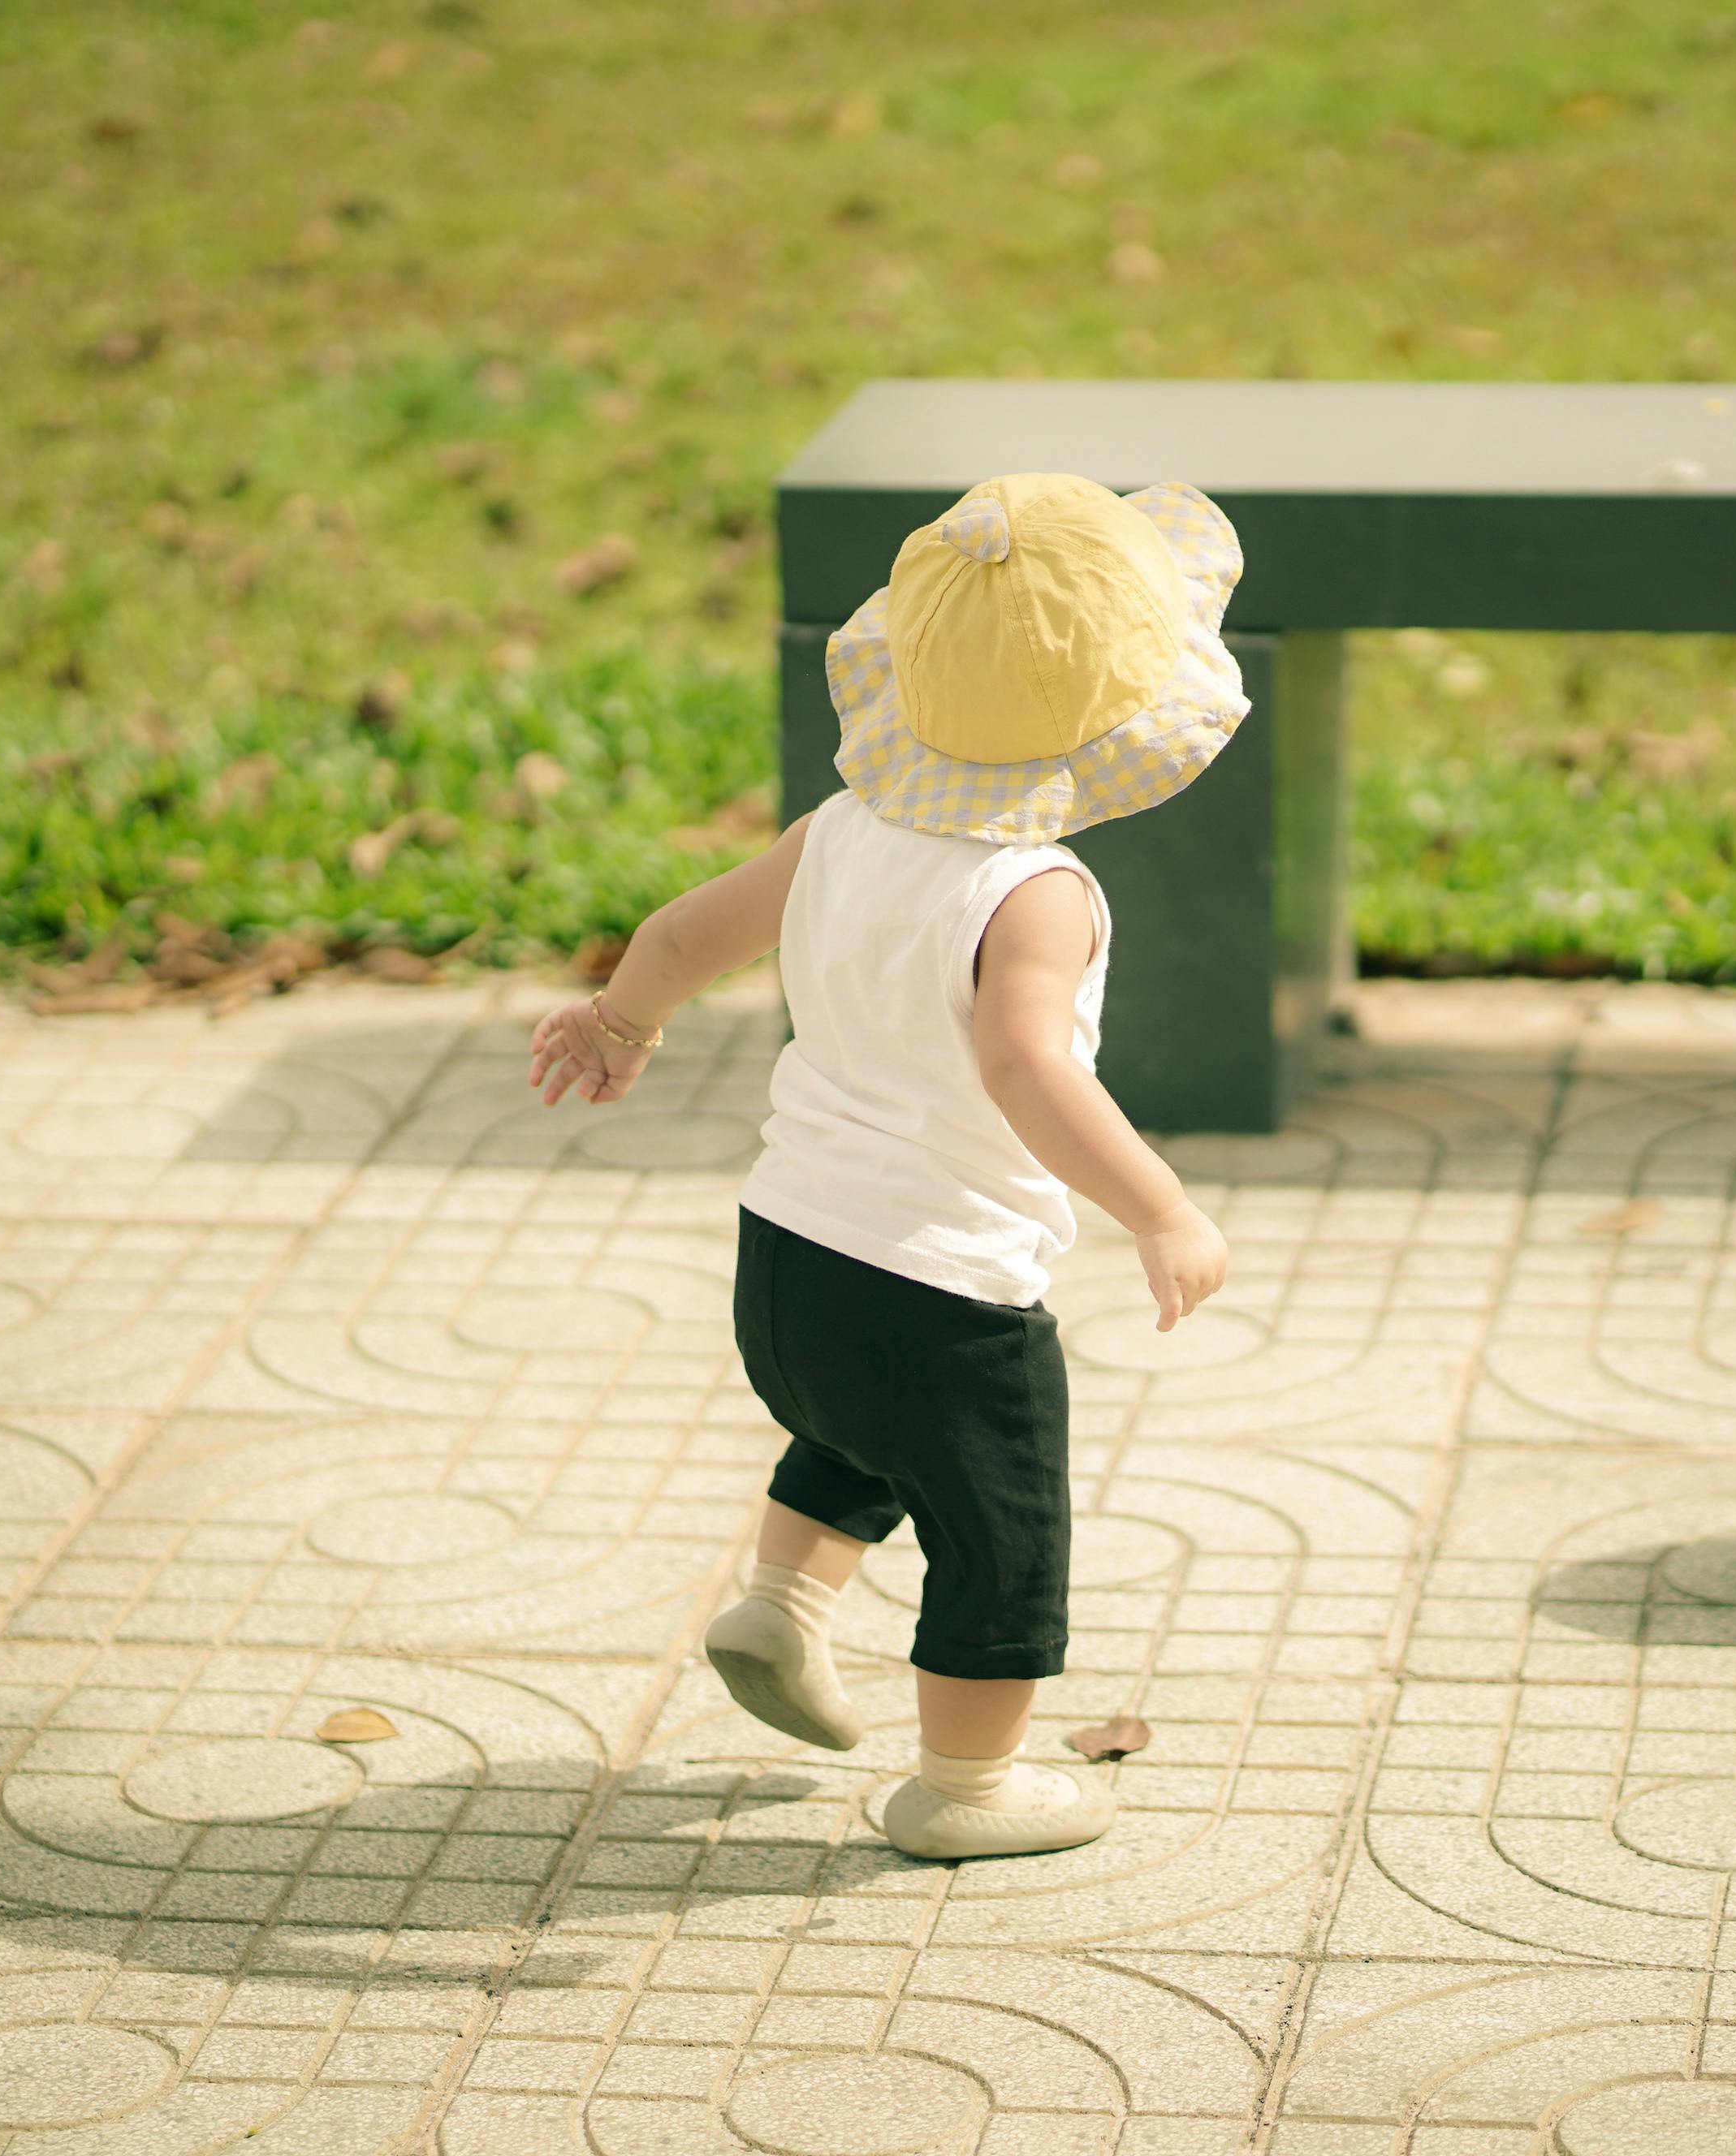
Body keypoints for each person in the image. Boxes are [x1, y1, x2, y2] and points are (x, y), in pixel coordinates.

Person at [529, 472, 1250, 1861]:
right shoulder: (1033, 891)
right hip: (941, 1292)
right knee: (1001, 1528)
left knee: (862, 1431)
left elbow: (683, 933)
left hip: (785, 1255)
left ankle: (781, 1605)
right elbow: (1028, 1068)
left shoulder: (841, 830)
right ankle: (966, 1791)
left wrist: (621, 1021)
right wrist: (1156, 1205)